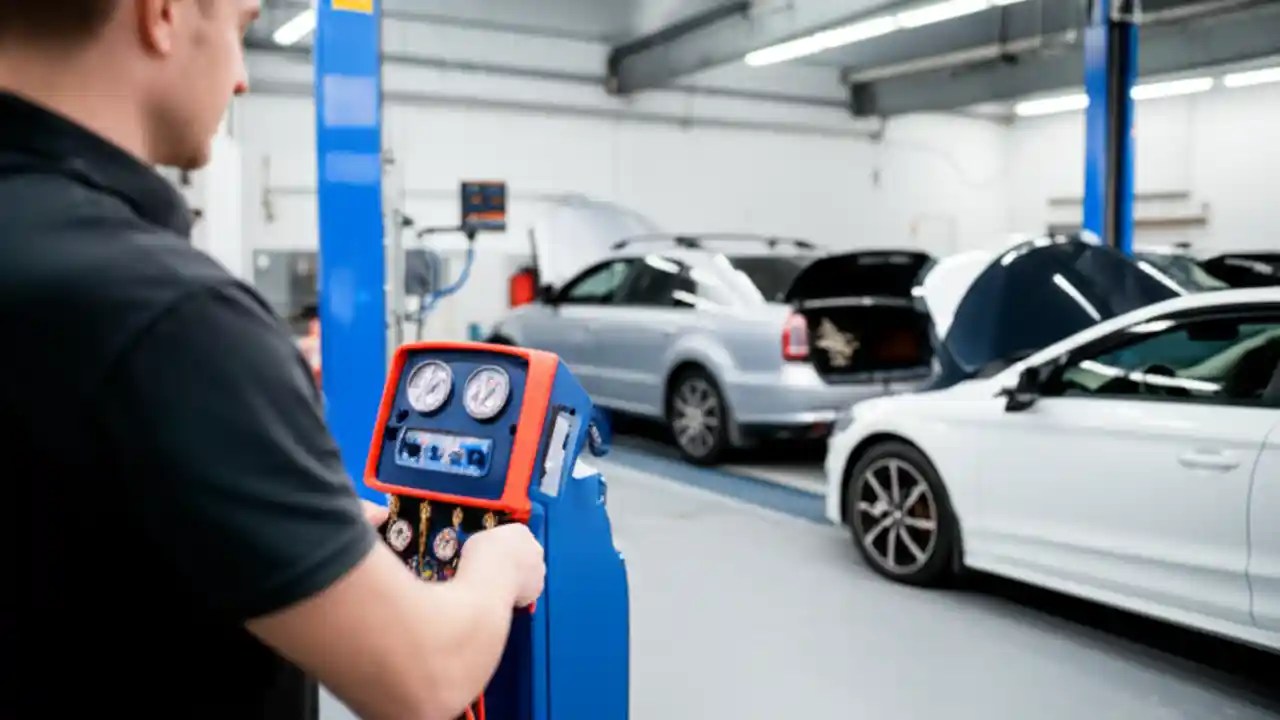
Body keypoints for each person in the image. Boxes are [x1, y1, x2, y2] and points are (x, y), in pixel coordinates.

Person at [0, 2, 545, 719]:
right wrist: (495, 567)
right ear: (161, 14)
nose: (242, 79)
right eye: (240, 30)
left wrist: (278, 518)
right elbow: (423, 677)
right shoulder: (173, 317)